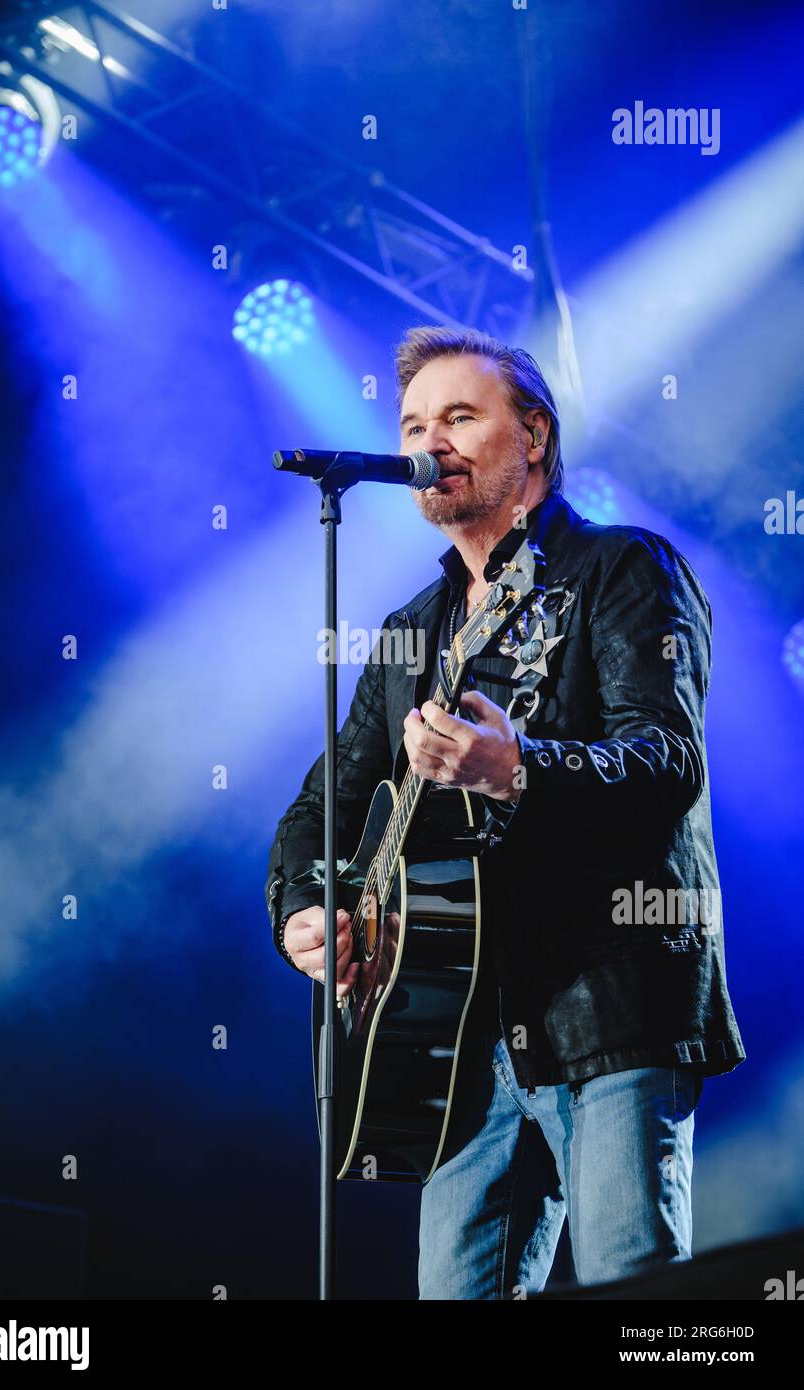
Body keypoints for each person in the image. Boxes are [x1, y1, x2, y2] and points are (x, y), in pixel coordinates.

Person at [264, 325, 745, 1299]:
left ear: (531, 433)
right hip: (460, 1024)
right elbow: (324, 804)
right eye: (410, 422)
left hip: (607, 995)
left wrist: (515, 766)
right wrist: (306, 912)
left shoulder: (619, 570)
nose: (427, 438)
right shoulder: (409, 633)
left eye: (456, 415)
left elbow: (665, 761)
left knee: (632, 1288)